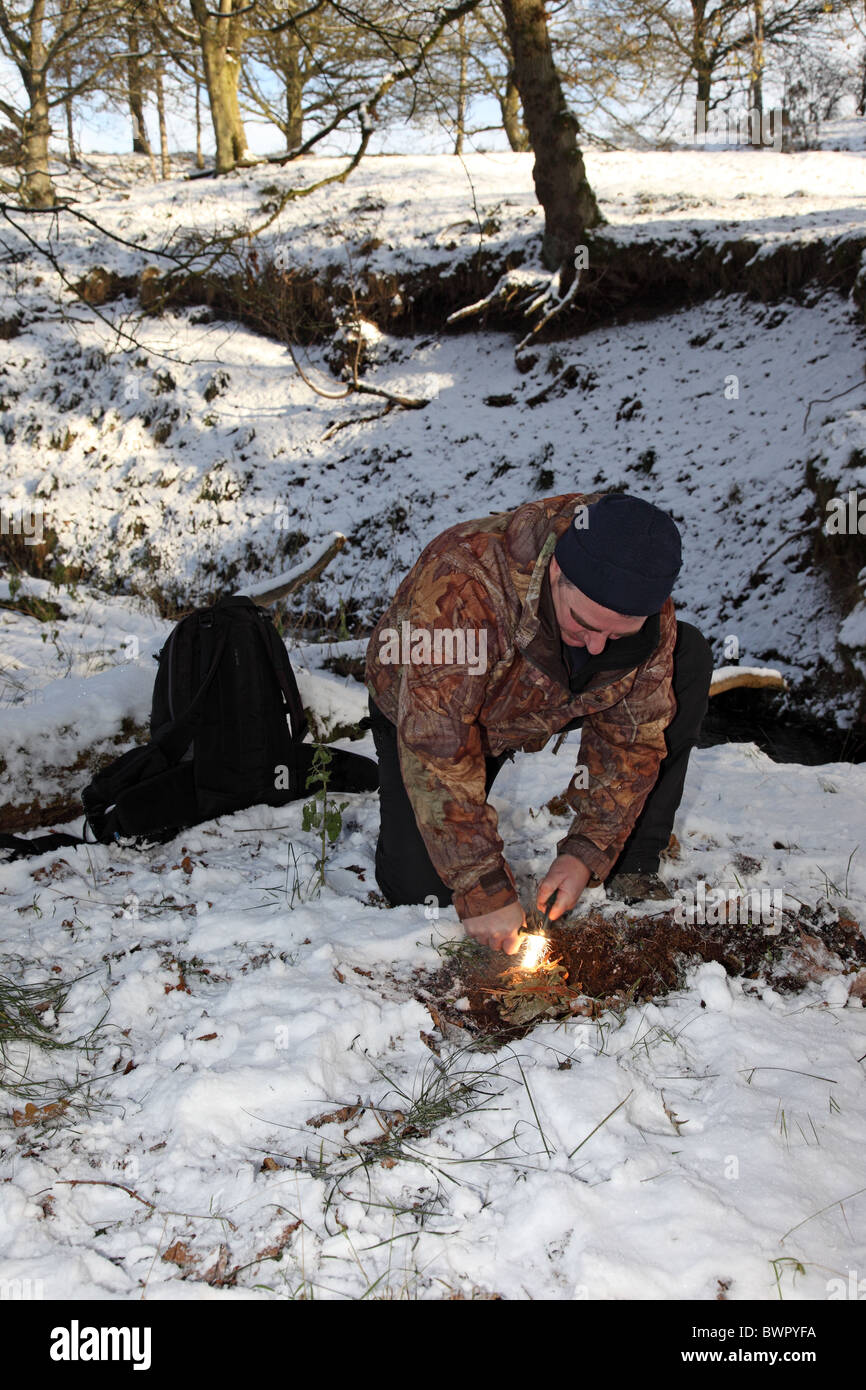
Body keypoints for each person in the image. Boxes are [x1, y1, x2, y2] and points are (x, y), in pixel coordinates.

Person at [364, 491, 714, 955]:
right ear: (555, 572)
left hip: (541, 702)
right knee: (422, 891)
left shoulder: (646, 611)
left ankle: (632, 859)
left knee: (687, 655)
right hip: (426, 712)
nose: (596, 648)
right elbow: (437, 739)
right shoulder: (464, 582)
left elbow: (633, 739)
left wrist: (585, 851)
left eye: (616, 634)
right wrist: (481, 884)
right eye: (583, 625)